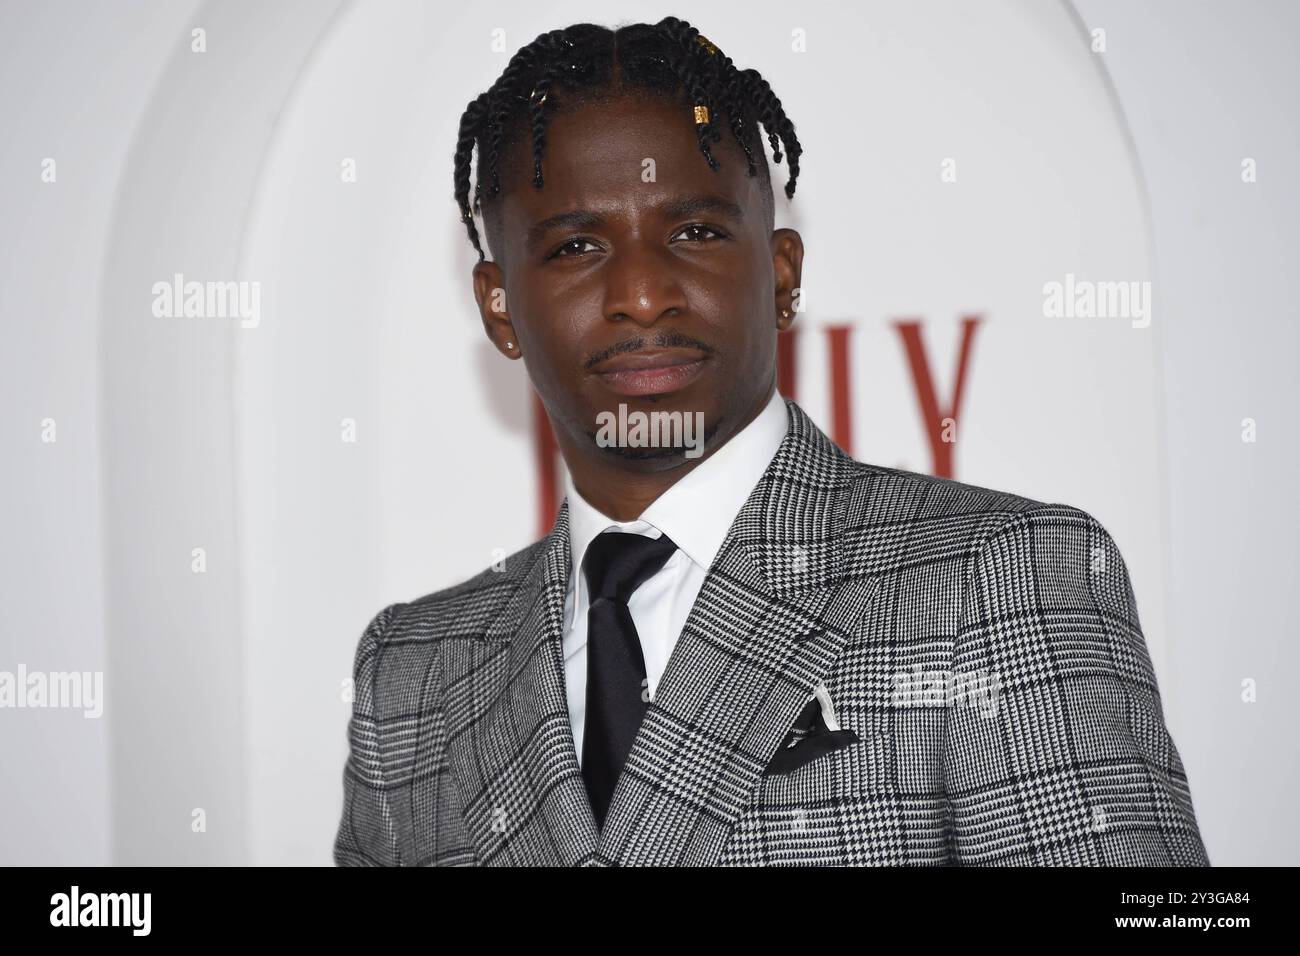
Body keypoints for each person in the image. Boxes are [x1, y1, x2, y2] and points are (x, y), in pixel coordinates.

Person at [332, 16, 1208, 866]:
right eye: (576, 246)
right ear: (499, 307)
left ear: (782, 274)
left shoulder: (1000, 578)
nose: (642, 292)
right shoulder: (411, 678)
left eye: (695, 232)